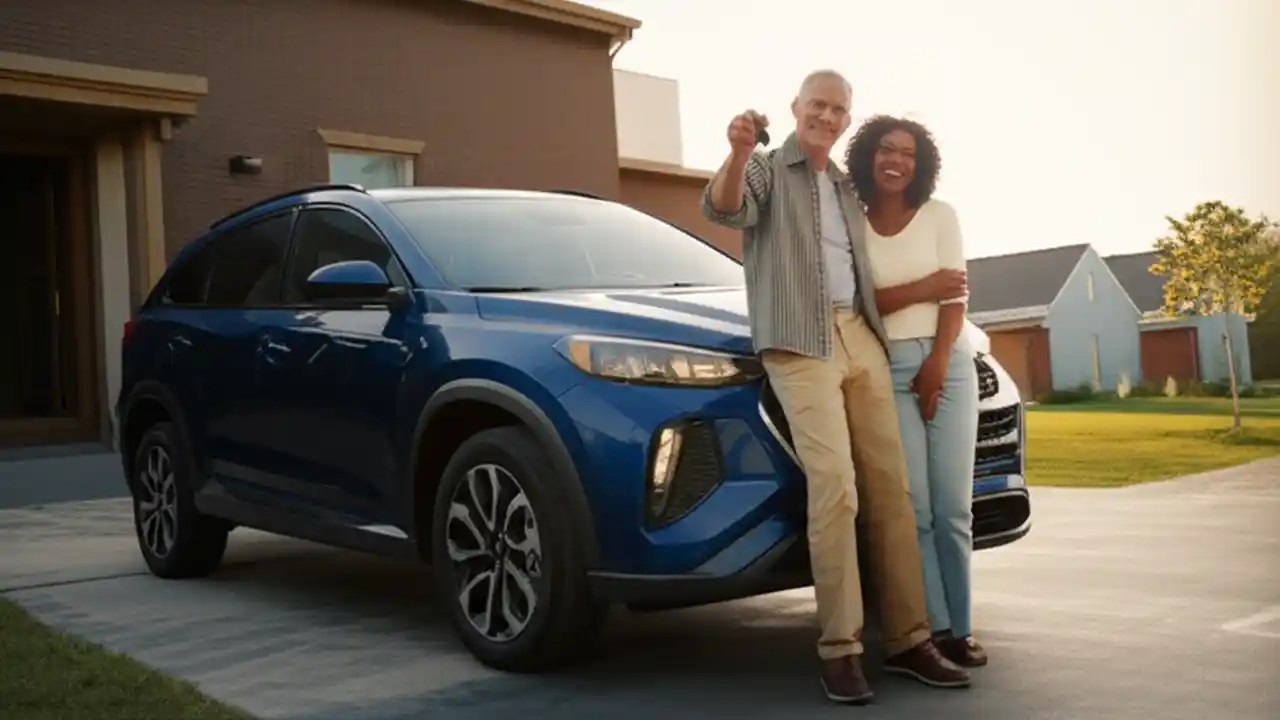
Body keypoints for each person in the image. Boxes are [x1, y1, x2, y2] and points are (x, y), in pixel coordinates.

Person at [701, 70, 970, 705]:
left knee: (894, 492)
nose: (826, 115)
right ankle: (841, 649)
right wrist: (737, 149)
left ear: (848, 120)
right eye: (817, 105)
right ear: (797, 109)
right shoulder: (767, 167)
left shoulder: (847, 186)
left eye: (838, 108)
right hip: (799, 341)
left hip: (859, 337)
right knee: (836, 491)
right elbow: (724, 206)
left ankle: (908, 639)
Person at [844, 114, 987, 668]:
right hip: (886, 369)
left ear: (919, 164)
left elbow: (957, 299)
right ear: (868, 158)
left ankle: (962, 629)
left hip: (947, 362)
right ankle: (932, 629)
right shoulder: (853, 224)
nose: (895, 161)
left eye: (907, 153)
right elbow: (863, 304)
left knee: (953, 507)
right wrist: (924, 286)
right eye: (886, 150)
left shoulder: (939, 216)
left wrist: (938, 361)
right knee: (914, 509)